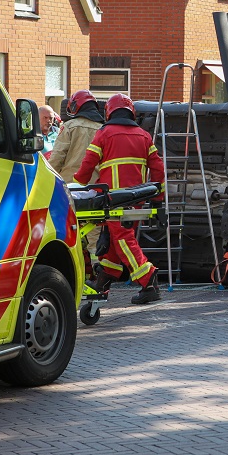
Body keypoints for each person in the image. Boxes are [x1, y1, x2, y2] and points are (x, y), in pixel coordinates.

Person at [75, 93, 165, 305]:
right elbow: (158, 169)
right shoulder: (144, 136)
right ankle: (104, 280)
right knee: (117, 241)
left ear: (109, 112)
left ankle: (148, 279)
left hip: (113, 199)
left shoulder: (104, 133)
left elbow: (88, 163)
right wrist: (158, 197)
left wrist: (78, 185)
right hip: (137, 198)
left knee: (123, 240)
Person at [49, 90, 105, 184]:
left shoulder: (69, 126)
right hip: (95, 185)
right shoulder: (103, 129)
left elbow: (58, 156)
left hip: (70, 184)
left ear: (74, 106)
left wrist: (48, 177)